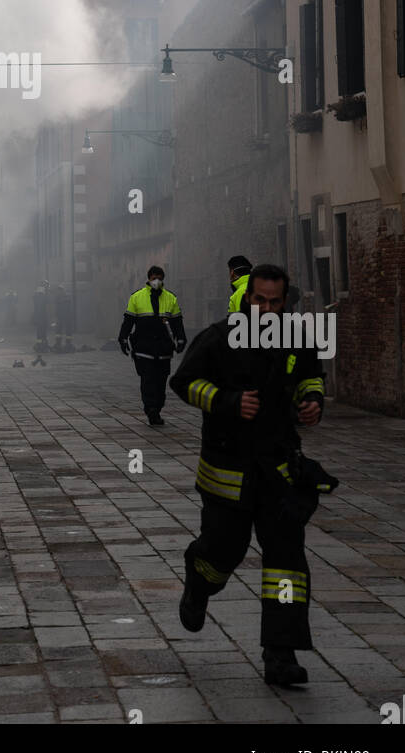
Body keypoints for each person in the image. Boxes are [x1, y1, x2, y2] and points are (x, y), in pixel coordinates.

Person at [169, 263, 337, 688]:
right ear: (247, 300)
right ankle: (198, 581)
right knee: (224, 550)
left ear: (285, 302)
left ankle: (280, 654)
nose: (266, 309)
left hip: (279, 468)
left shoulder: (297, 337)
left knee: (286, 558)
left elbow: (309, 380)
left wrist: (312, 404)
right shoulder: (220, 337)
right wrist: (226, 401)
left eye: (274, 302)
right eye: (258, 300)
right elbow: (184, 382)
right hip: (227, 468)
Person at [118, 265, 186, 426]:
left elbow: (177, 322)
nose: (157, 281)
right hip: (143, 347)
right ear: (148, 279)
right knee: (148, 380)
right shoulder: (137, 297)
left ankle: (157, 407)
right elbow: (128, 321)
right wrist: (122, 338)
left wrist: (181, 339)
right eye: (154, 278)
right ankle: (151, 409)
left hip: (163, 349)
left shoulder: (171, 298)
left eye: (160, 278)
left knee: (161, 382)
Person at [32, 281, 49, 365]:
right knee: (42, 332)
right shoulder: (43, 297)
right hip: (42, 317)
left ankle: (40, 345)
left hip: (39, 317)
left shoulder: (36, 297)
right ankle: (43, 345)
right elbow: (45, 307)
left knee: (39, 332)